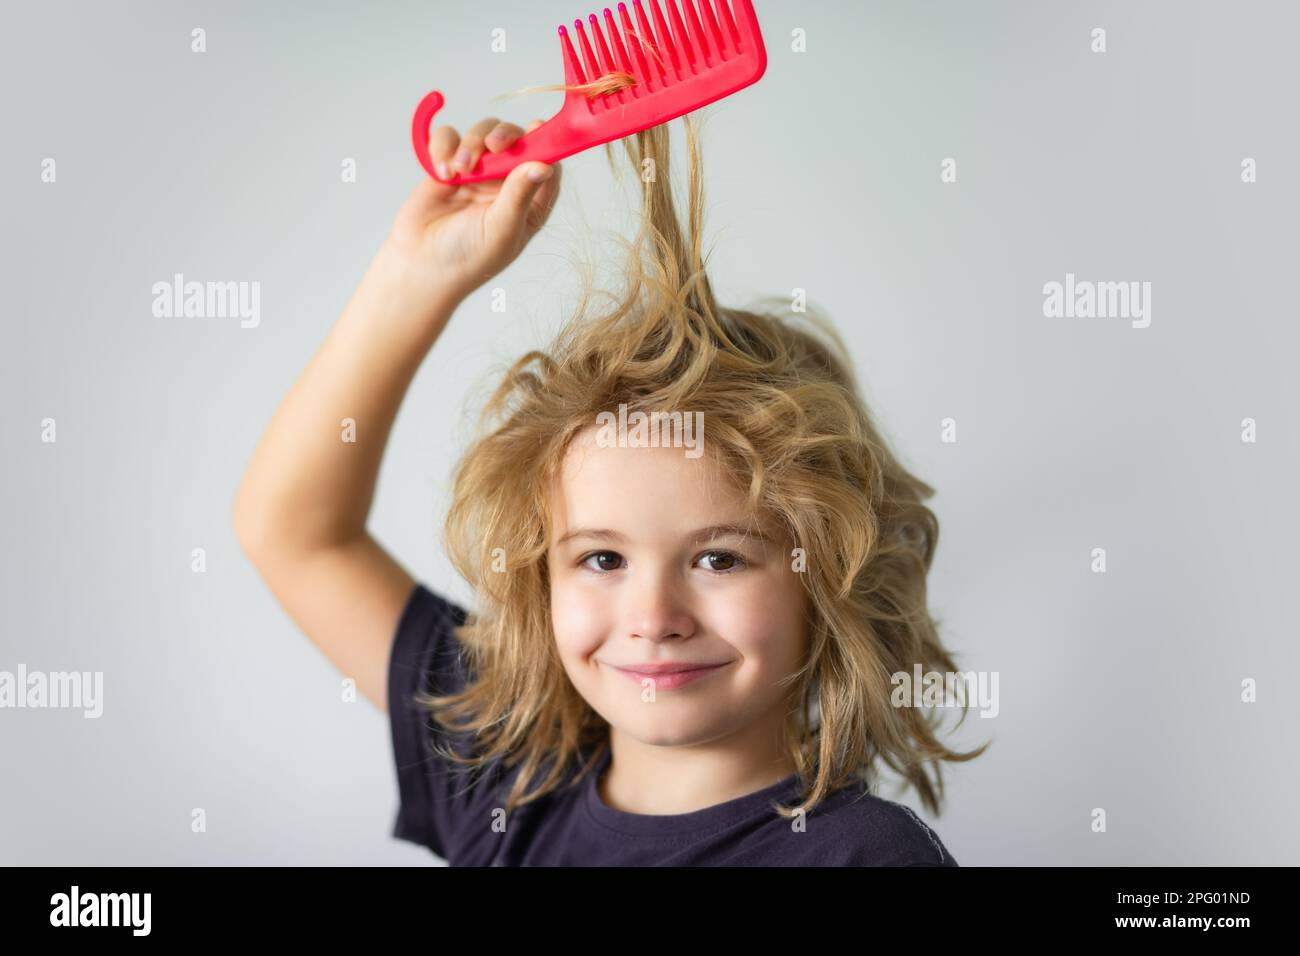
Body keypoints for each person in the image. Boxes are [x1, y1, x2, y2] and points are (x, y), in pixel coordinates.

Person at [234, 106, 986, 866]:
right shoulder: (506, 775)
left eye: (719, 558)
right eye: (602, 559)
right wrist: (417, 274)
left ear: (828, 575)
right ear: (542, 580)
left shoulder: (861, 855)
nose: (653, 619)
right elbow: (293, 532)